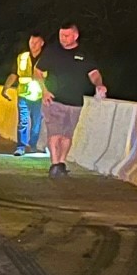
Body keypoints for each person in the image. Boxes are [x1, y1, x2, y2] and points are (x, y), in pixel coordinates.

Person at [34, 22, 105, 176]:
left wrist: (99, 85)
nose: (63, 39)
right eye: (61, 35)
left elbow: (94, 73)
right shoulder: (52, 51)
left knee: (67, 135)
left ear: (75, 35)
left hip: (75, 103)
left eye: (66, 35)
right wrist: (44, 91)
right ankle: (54, 164)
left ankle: (61, 162)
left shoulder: (84, 54)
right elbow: (37, 71)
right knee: (54, 133)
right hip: (54, 100)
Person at [2, 33, 46, 156]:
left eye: (36, 42)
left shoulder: (47, 58)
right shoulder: (22, 57)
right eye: (31, 42)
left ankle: (32, 145)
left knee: (37, 122)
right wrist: (5, 88)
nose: (33, 45)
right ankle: (21, 146)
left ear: (42, 43)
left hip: (40, 96)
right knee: (23, 121)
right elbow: (14, 74)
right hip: (23, 94)